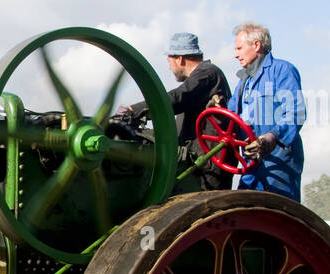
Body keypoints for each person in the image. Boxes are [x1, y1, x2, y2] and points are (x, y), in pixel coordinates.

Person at [120, 32, 234, 191]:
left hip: (208, 165)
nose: (169, 67)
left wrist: (134, 111)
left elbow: (177, 98)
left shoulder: (208, 73)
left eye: (169, 61)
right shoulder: (202, 78)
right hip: (198, 161)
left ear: (180, 59)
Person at [227, 23, 306, 200]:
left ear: (256, 45)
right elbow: (231, 117)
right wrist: (215, 110)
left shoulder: (282, 70)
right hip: (251, 162)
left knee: (279, 215)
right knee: (243, 210)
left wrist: (273, 137)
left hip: (278, 163)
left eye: (239, 48)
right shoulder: (244, 81)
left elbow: (296, 112)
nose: (235, 54)